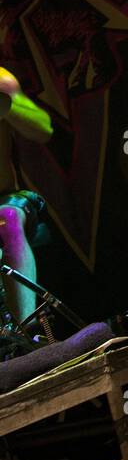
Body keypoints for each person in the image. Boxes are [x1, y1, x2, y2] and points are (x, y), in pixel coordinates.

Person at [0, 68, 51, 327]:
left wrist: (7, 107)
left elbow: (43, 128)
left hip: (6, 201)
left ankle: (24, 328)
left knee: (5, 217)